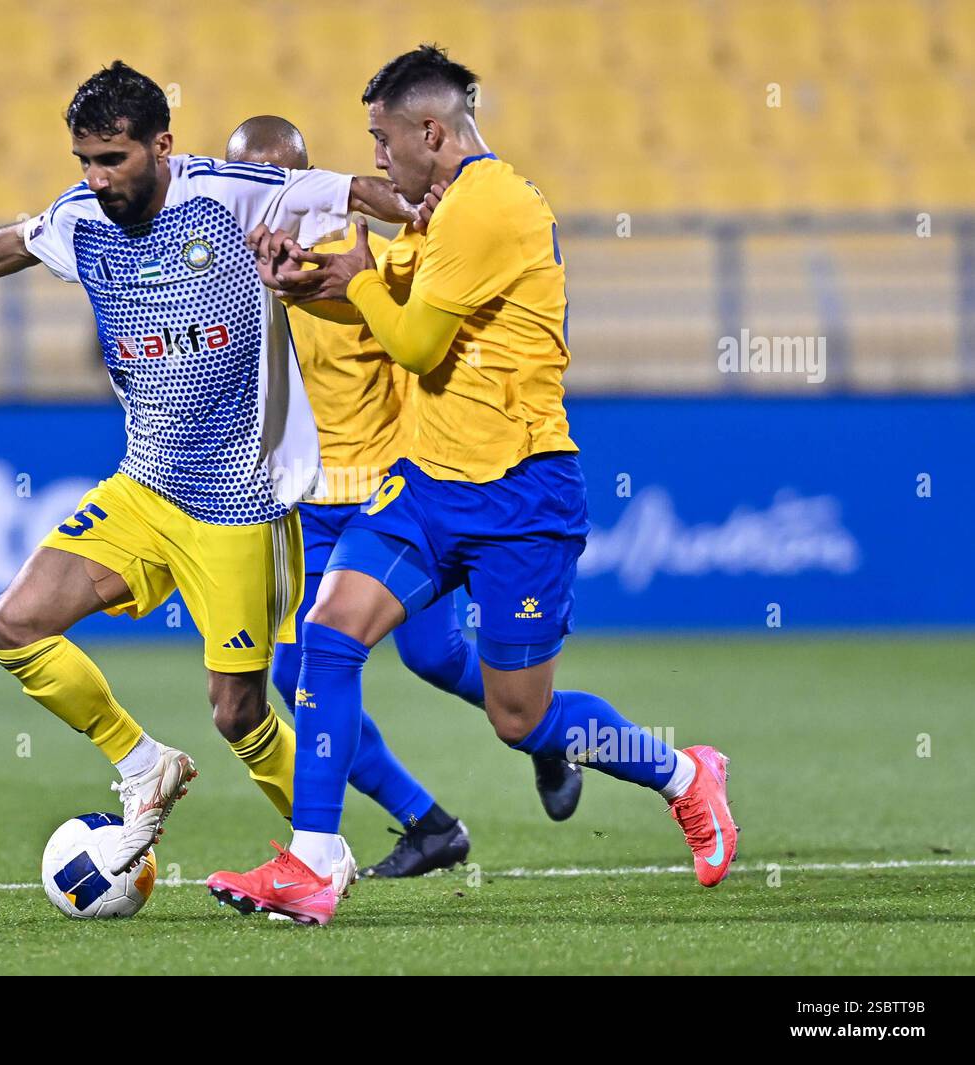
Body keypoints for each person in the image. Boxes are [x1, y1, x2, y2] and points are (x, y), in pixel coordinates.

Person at [208, 47, 738, 925]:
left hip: (521, 495)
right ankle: (313, 860)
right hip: (427, 483)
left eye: (381, 139)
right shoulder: (442, 211)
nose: (375, 158)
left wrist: (362, 285)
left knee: (521, 717)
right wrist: (310, 284)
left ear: (430, 130)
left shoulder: (492, 204)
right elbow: (374, 297)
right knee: (328, 632)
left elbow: (412, 342)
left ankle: (685, 773)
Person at [0, 61, 418, 880]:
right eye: (84, 160)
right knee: (12, 625)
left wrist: (426, 215)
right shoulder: (81, 216)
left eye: (113, 159)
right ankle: (142, 764)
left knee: (238, 714)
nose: (96, 179)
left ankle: (319, 851)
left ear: (163, 145)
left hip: (242, 500)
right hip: (145, 485)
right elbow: (14, 243)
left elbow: (349, 192)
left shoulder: (227, 194)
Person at [226, 115, 581, 879]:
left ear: (306, 180)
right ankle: (428, 821)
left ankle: (546, 734)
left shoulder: (360, 263)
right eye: (244, 188)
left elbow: (420, 349)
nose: (260, 203)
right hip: (312, 504)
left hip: (392, 490)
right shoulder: (228, 276)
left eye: (276, 184)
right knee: (297, 675)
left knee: (436, 656)